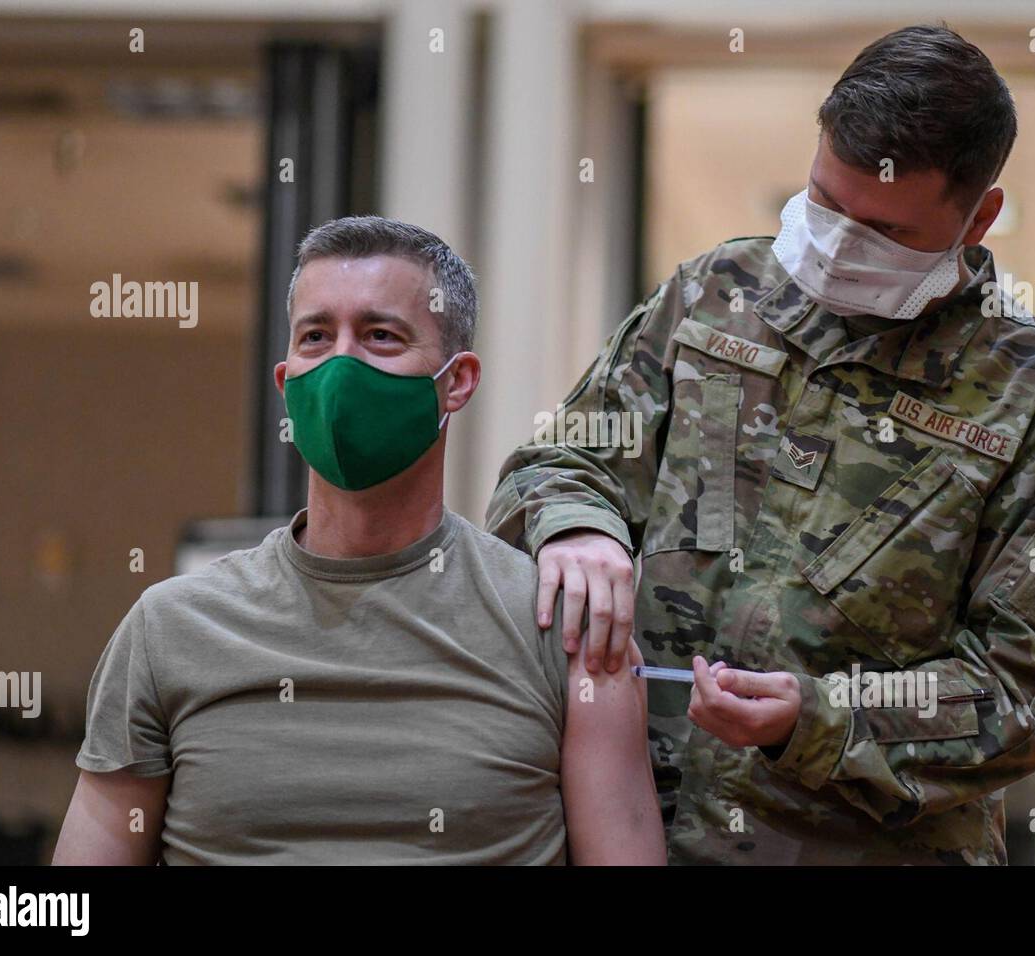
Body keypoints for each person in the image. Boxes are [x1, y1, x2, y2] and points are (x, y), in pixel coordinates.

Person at [485, 24, 1035, 865]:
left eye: (886, 232)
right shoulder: (713, 298)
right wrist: (575, 522)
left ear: (981, 216)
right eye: (826, 204)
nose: (839, 247)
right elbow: (559, 462)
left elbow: (1022, 695)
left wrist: (819, 718)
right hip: (633, 834)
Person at [55, 215, 665, 865]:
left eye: (380, 335)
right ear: (287, 383)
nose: (343, 365)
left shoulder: (564, 628)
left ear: (456, 381)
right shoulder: (170, 628)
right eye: (317, 336)